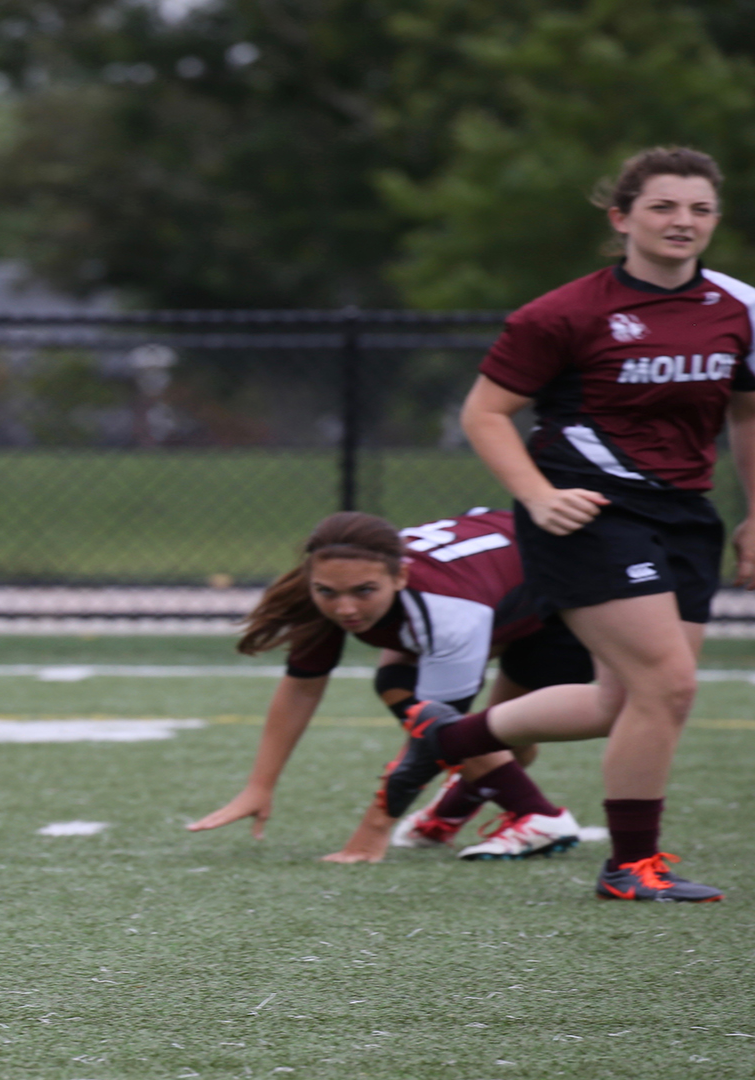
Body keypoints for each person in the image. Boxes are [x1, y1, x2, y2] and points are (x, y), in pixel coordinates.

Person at [387, 146, 755, 902]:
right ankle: (631, 865)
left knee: (621, 700)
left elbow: (748, 414)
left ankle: (450, 737)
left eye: (699, 209)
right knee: (670, 685)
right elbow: (484, 413)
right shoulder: (563, 313)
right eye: (663, 206)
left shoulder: (740, 307)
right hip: (587, 512)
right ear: (621, 218)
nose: (683, 221)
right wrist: (539, 495)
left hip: (686, 516)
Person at [188, 509, 601, 862]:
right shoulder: (332, 578)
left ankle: (541, 817)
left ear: (401, 575)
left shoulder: (449, 612)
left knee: (466, 731)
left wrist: (372, 831)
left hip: (569, 595)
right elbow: (302, 687)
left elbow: (441, 738)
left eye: (364, 592)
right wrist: (259, 787)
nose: (345, 608)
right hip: (514, 581)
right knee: (486, 734)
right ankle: (450, 817)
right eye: (327, 592)